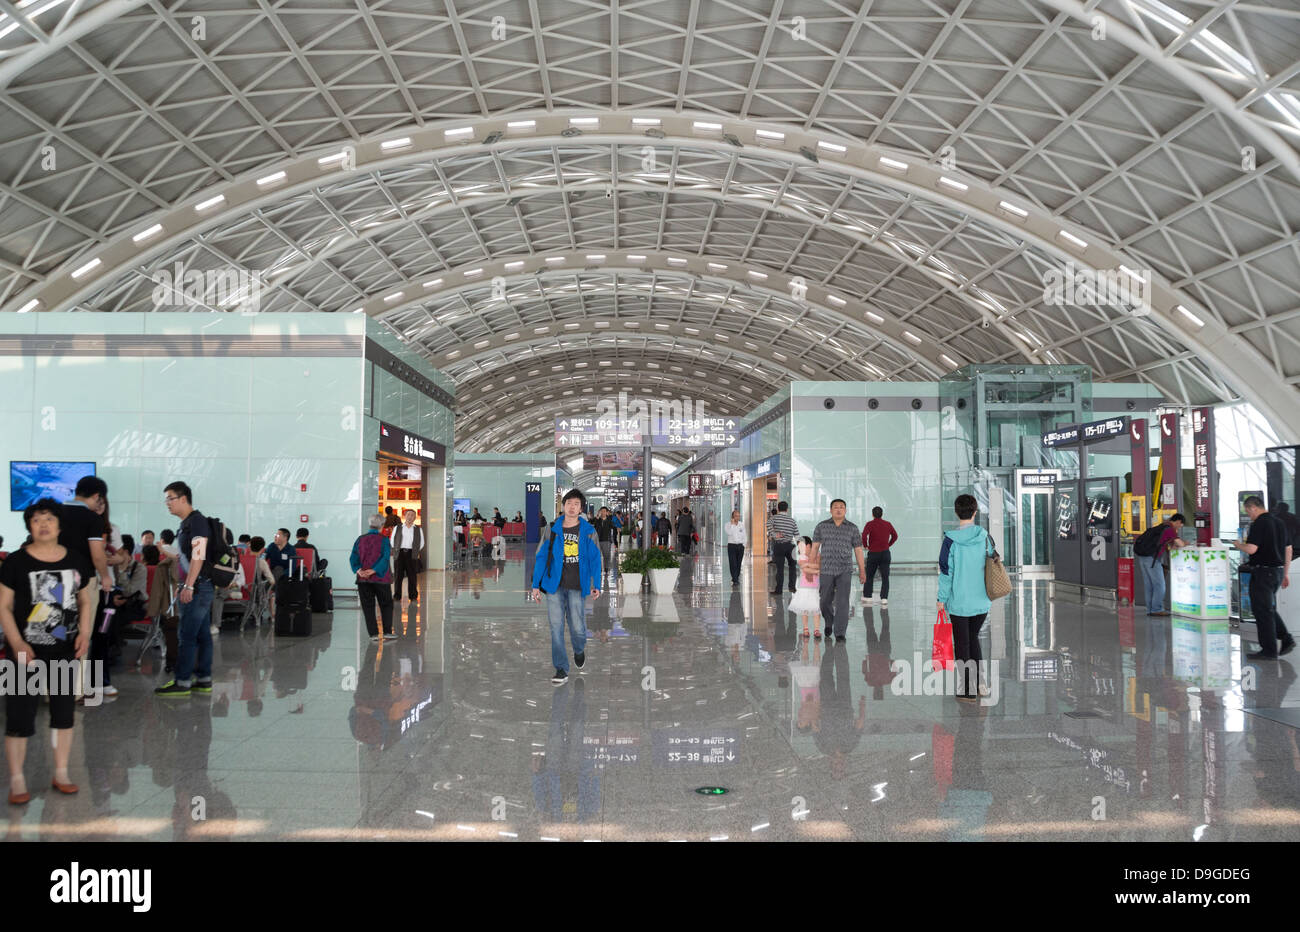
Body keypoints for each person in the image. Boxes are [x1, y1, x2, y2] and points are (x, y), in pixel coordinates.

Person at [0, 498, 95, 803]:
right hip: (22, 653)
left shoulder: (77, 559)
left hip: (64, 649)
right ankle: (17, 779)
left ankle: (62, 772)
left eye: (49, 519)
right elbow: (2, 606)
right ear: (29, 525)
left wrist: (86, 633)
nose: (43, 524)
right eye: (37, 519)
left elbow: (85, 601)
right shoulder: (15, 562)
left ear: (59, 525)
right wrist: (16, 644)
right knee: (19, 715)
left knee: (64, 713)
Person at [530, 490, 602, 686]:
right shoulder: (552, 528)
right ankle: (561, 668)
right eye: (568, 502)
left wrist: (597, 583)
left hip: (577, 585)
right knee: (556, 627)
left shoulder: (588, 531)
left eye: (576, 503)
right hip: (554, 585)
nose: (572, 507)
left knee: (578, 628)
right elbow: (541, 557)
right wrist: (535, 585)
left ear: (581, 508)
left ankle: (579, 649)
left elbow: (596, 559)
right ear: (563, 506)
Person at [154, 481, 215, 697]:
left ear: (183, 499)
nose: (167, 503)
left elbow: (198, 555)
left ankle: (182, 681)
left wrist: (189, 585)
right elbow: (185, 557)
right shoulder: (188, 524)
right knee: (201, 635)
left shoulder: (196, 522)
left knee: (187, 636)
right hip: (200, 586)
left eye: (170, 498)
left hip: (197, 588)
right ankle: (204, 679)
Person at [59, 475, 115, 698]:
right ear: (96, 496)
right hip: (83, 582)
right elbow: (97, 554)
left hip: (53, 581)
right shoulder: (92, 519)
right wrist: (105, 577)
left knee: (56, 632)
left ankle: (48, 689)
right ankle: (74, 691)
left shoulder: (53, 513)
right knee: (82, 634)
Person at [937, 494, 992, 703]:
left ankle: (967, 688)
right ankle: (981, 685)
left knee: (962, 644)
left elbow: (946, 572)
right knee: (973, 639)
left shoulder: (950, 540)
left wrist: (941, 599)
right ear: (975, 512)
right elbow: (993, 560)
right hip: (982, 601)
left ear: (956, 512)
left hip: (959, 602)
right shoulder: (985, 536)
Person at [1235, 496, 1293, 659]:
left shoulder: (1259, 523)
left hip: (1263, 572)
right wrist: (1285, 573)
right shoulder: (1279, 522)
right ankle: (1285, 638)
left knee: (1262, 610)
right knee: (1268, 608)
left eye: (1248, 511)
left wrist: (1238, 545)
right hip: (1277, 571)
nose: (1249, 515)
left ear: (1253, 507)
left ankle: (1269, 650)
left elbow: (1252, 549)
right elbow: (1288, 549)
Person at [812, 500, 866, 642]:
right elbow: (815, 548)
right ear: (830, 510)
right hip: (826, 569)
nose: (838, 510)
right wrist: (811, 568)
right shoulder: (821, 526)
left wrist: (862, 571)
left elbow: (858, 551)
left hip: (845, 569)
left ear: (846, 510)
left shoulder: (852, 528)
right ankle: (829, 621)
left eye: (842, 507)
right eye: (835, 507)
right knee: (824, 601)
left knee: (843, 602)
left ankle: (840, 632)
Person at [351, 514, 396, 641]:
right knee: (386, 604)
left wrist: (359, 570)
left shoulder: (360, 539)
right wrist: (373, 570)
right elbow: (385, 558)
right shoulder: (384, 540)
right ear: (382, 526)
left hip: (363, 579)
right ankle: (387, 631)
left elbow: (353, 557)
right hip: (381, 579)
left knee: (368, 606)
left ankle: (373, 634)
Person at [1136, 513, 1187, 617]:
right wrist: (1186, 543)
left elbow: (1168, 545)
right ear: (1177, 521)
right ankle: (1157, 609)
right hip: (1152, 559)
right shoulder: (1169, 529)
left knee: (1149, 584)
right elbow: (1180, 544)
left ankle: (1150, 609)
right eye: (1181, 524)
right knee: (1160, 585)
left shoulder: (1162, 526)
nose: (1180, 527)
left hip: (1144, 557)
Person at [142, 543, 178, 672]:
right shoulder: (164, 567)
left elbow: (154, 593)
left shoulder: (158, 568)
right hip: (171, 606)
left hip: (160, 608)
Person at [861, 506, 899, 605]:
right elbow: (895, 536)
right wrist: (888, 544)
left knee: (869, 575)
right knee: (885, 576)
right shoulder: (887, 524)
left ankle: (868, 596)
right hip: (885, 553)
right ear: (882, 514)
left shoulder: (870, 524)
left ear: (872, 514)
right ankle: (884, 598)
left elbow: (864, 535)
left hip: (873, 553)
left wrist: (866, 546)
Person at [788, 538, 822, 639]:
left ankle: (816, 629)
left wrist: (810, 566)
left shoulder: (817, 554)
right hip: (804, 587)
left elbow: (819, 566)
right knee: (805, 608)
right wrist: (815, 570)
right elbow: (805, 568)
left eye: (801, 546)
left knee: (816, 608)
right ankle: (806, 629)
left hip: (815, 586)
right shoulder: (801, 557)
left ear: (808, 546)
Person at [390, 509, 424, 602]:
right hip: (399, 553)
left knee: (412, 576)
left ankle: (413, 595)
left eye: (412, 515)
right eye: (408, 515)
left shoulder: (418, 529)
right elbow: (392, 540)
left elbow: (421, 543)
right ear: (405, 516)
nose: (410, 517)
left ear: (415, 517)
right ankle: (397, 595)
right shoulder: (398, 527)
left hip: (412, 554)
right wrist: (396, 550)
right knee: (398, 576)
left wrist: (415, 551)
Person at [768, 501, 799, 595]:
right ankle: (792, 587)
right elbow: (797, 535)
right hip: (790, 546)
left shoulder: (774, 518)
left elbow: (768, 525)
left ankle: (779, 590)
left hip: (779, 546)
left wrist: (774, 534)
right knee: (792, 567)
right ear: (787, 509)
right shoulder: (792, 520)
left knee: (780, 568)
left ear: (778, 509)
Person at [591, 507, 618, 578]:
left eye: (604, 511)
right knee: (597, 556)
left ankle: (606, 569)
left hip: (606, 540)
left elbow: (614, 527)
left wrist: (615, 540)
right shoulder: (597, 520)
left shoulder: (609, 520)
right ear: (600, 512)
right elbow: (591, 524)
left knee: (606, 556)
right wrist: (596, 518)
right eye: (601, 511)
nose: (603, 512)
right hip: (598, 540)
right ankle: (599, 570)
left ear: (606, 512)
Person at [725, 509, 746, 586]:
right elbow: (729, 532)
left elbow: (744, 535)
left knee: (739, 563)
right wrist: (733, 524)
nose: (738, 517)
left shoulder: (741, 524)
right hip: (732, 546)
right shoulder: (728, 525)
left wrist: (744, 544)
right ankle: (735, 579)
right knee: (733, 563)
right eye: (736, 516)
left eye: (738, 516)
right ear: (732, 517)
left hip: (740, 546)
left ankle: (735, 578)